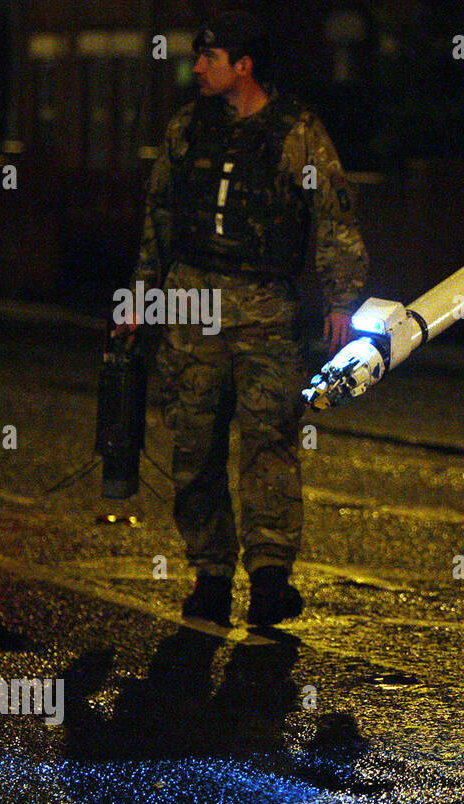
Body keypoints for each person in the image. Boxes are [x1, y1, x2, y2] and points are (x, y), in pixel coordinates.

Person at [119, 9, 369, 627]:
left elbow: (333, 214)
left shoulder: (296, 131)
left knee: (270, 442)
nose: (198, 68)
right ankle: (209, 574)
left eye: (210, 58)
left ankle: (269, 577)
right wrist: (140, 299)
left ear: (244, 65)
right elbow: (159, 222)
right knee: (194, 444)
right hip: (190, 306)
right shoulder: (186, 129)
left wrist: (341, 302)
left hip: (264, 310)